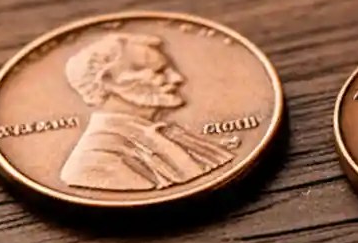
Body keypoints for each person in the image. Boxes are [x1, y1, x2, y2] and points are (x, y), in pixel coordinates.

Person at [60, 32, 234, 191]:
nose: (178, 78)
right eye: (159, 71)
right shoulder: (95, 161)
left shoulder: (170, 134)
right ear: (110, 81)